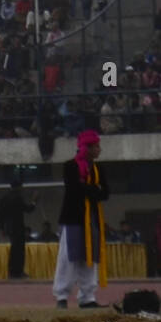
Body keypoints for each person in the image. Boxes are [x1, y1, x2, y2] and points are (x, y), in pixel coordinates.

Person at [53, 131, 109, 309]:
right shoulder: (70, 166)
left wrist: (89, 189)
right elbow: (74, 189)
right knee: (68, 258)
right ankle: (62, 296)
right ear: (88, 148)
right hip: (73, 218)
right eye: (97, 146)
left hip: (91, 218)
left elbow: (105, 192)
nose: (99, 150)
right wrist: (93, 190)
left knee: (90, 257)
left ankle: (87, 297)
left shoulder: (98, 169)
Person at [0, 178, 37, 278]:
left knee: (13, 249)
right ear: (18, 187)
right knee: (19, 250)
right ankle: (18, 272)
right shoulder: (18, 198)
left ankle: (12, 271)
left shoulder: (4, 198)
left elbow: (1, 215)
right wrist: (34, 201)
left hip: (9, 228)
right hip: (18, 227)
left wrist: (2, 228)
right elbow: (28, 209)